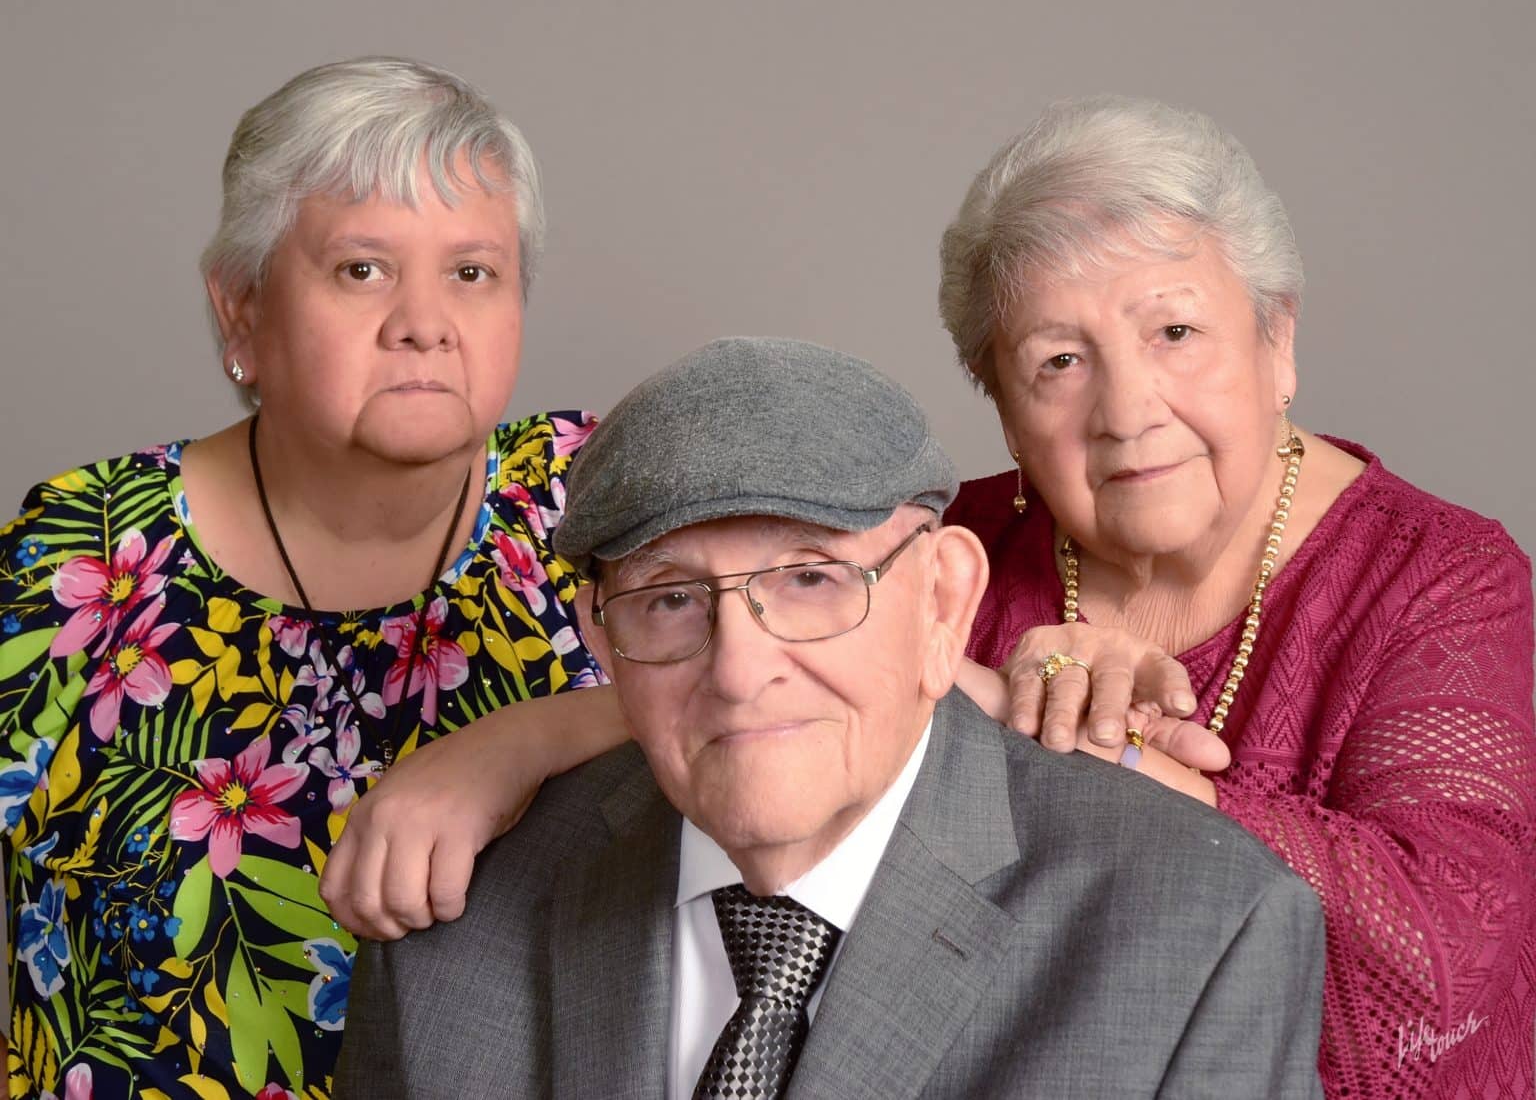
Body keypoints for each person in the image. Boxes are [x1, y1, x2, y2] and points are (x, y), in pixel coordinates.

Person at [336, 336, 1326, 1099]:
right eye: (672, 597)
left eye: (811, 578)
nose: (739, 669)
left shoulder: (1197, 930)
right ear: (600, 633)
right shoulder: (455, 922)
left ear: (943, 601)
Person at [0, 57, 628, 1099]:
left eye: (472, 271)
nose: (424, 321)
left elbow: (803, 700)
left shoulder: (597, 501)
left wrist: (523, 736)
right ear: (242, 309)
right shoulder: (79, 549)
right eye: (362, 269)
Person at [937, 95, 1536, 1097]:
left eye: (1175, 329)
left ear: (1277, 339)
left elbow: (1434, 972)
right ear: (1000, 403)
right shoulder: (948, 559)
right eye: (1059, 361)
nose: (1127, 410)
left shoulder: (1442, 577)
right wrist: (977, 691)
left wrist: (1098, 751)